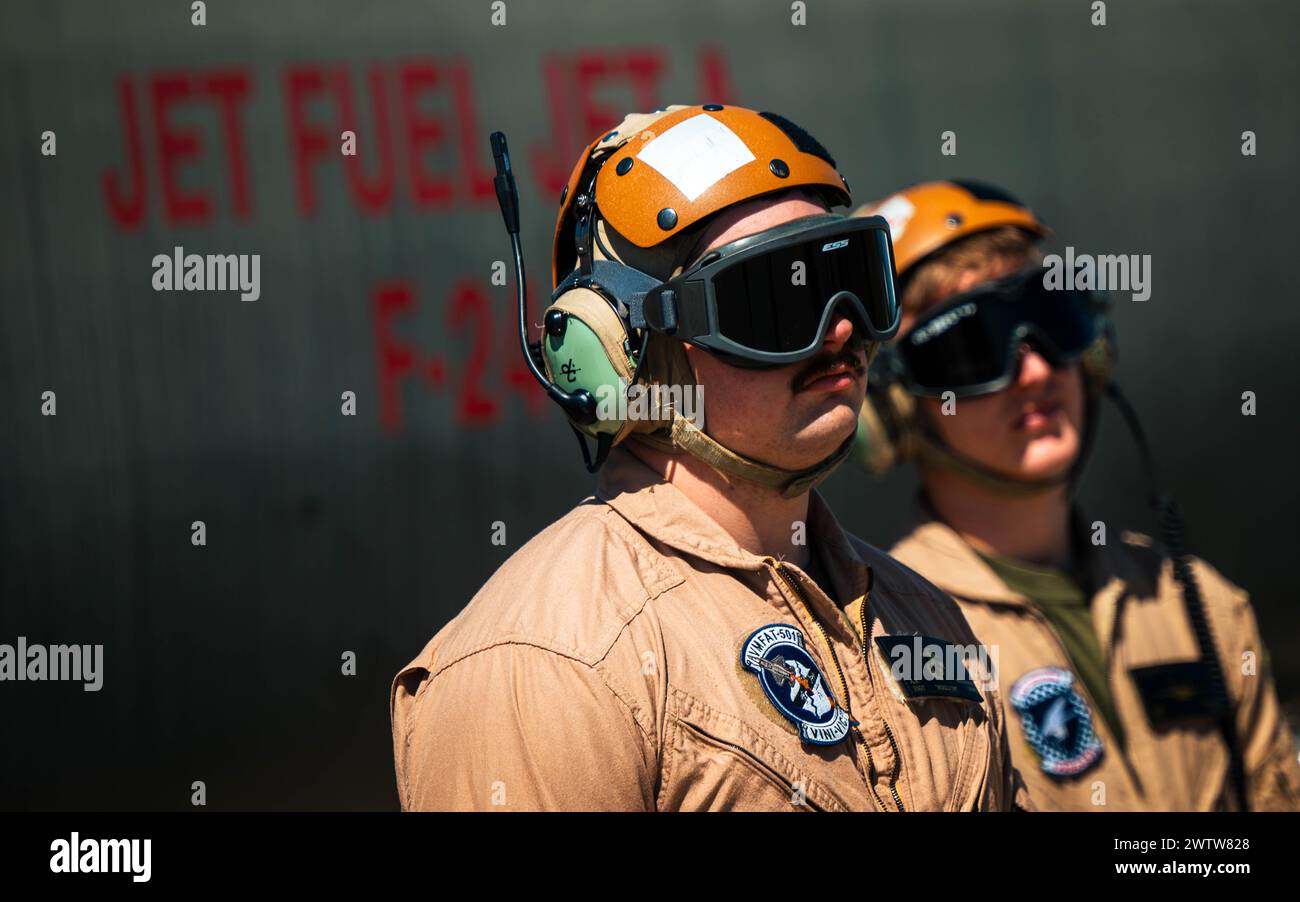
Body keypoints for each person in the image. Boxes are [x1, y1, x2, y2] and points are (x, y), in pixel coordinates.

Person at [389, 106, 1029, 811]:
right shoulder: (547, 663)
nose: (841, 326)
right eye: (777, 297)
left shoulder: (925, 618)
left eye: (851, 275)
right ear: (620, 353)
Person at [852, 179, 1300, 810]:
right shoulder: (887, 644)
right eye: (974, 344)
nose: (1033, 370)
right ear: (895, 407)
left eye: (1049, 319)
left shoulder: (1201, 604)